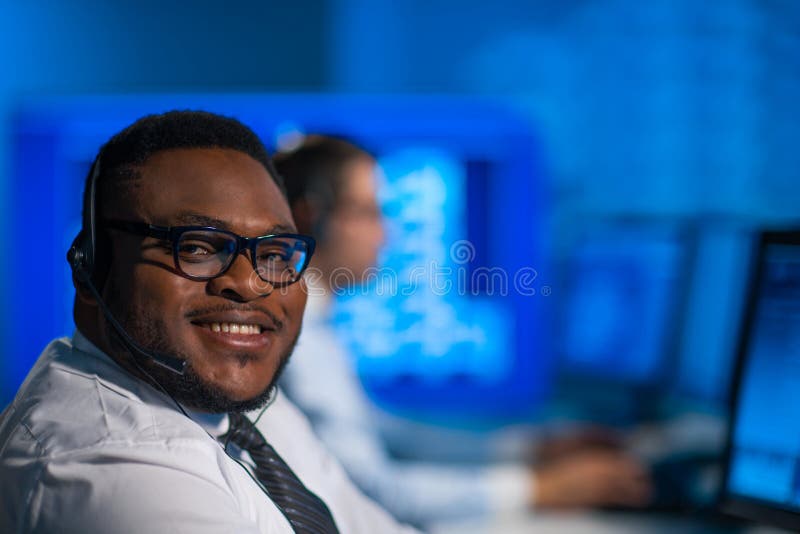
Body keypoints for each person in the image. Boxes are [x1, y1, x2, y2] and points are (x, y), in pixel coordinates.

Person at [0, 111, 420, 533]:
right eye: (198, 247)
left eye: (274, 253)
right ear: (91, 268)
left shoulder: (247, 409)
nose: (250, 284)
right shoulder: (113, 474)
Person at [276, 135, 653, 528]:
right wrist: (540, 489)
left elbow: (392, 436)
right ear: (310, 218)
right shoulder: (300, 344)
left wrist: (531, 450)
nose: (386, 235)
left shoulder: (315, 330)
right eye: (371, 213)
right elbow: (376, 491)